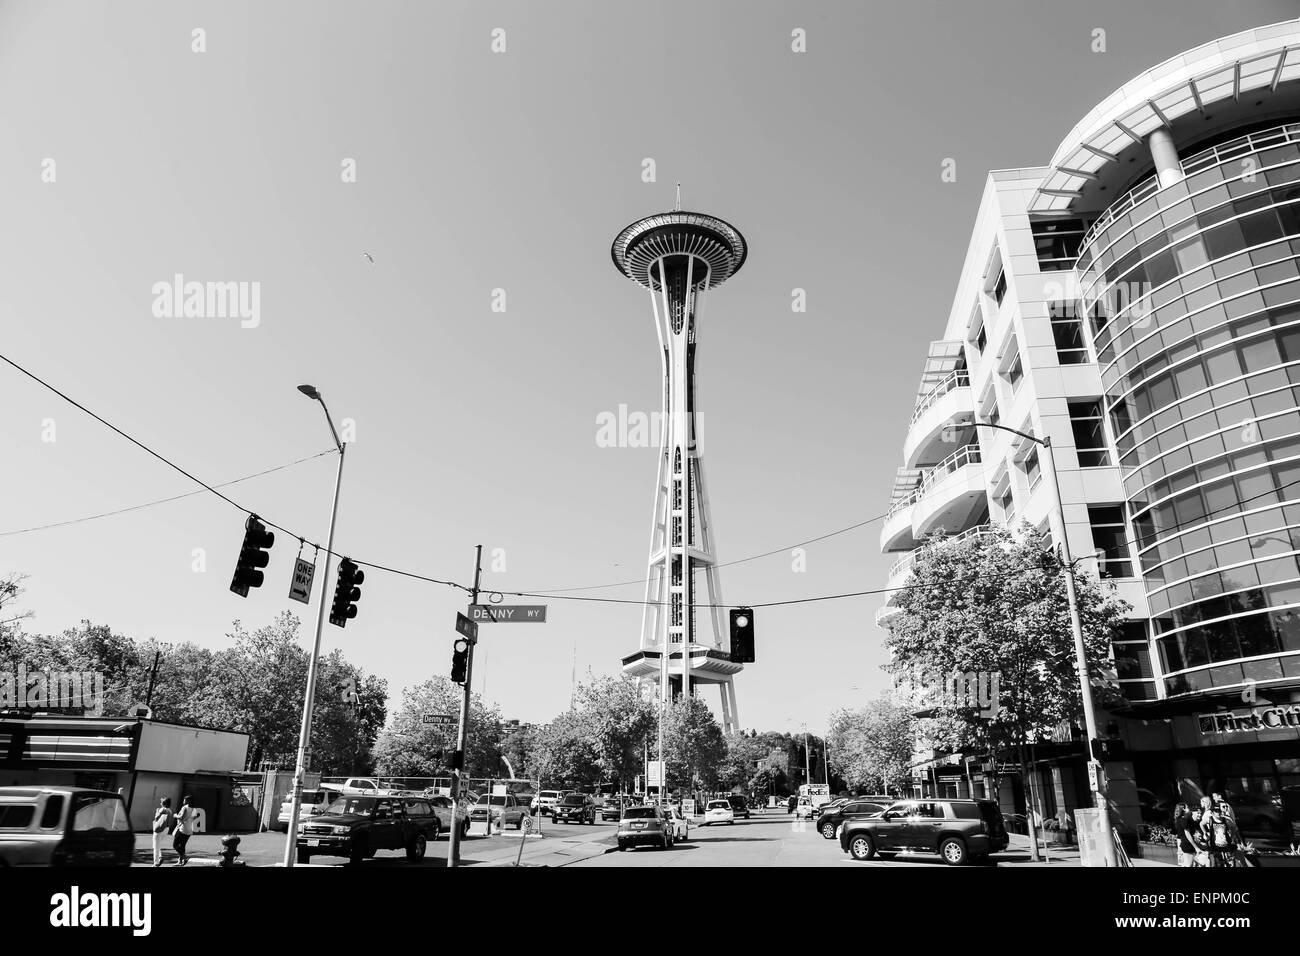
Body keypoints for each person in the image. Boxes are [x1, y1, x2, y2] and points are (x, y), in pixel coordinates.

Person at [172, 795, 195, 866]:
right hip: (189, 829)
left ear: (187, 801)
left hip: (182, 829)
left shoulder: (184, 807)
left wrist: (175, 815)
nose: (183, 801)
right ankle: (180, 861)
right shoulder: (194, 809)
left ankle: (184, 858)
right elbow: (195, 817)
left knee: (175, 845)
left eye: (184, 800)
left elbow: (181, 817)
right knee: (182, 845)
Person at [151, 797, 174, 867]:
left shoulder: (162, 809)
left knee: (156, 846)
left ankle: (156, 863)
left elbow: (156, 818)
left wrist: (157, 811)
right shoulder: (170, 810)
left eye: (161, 802)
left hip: (160, 829)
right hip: (166, 829)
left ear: (163, 803)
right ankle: (160, 857)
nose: (160, 803)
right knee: (157, 844)